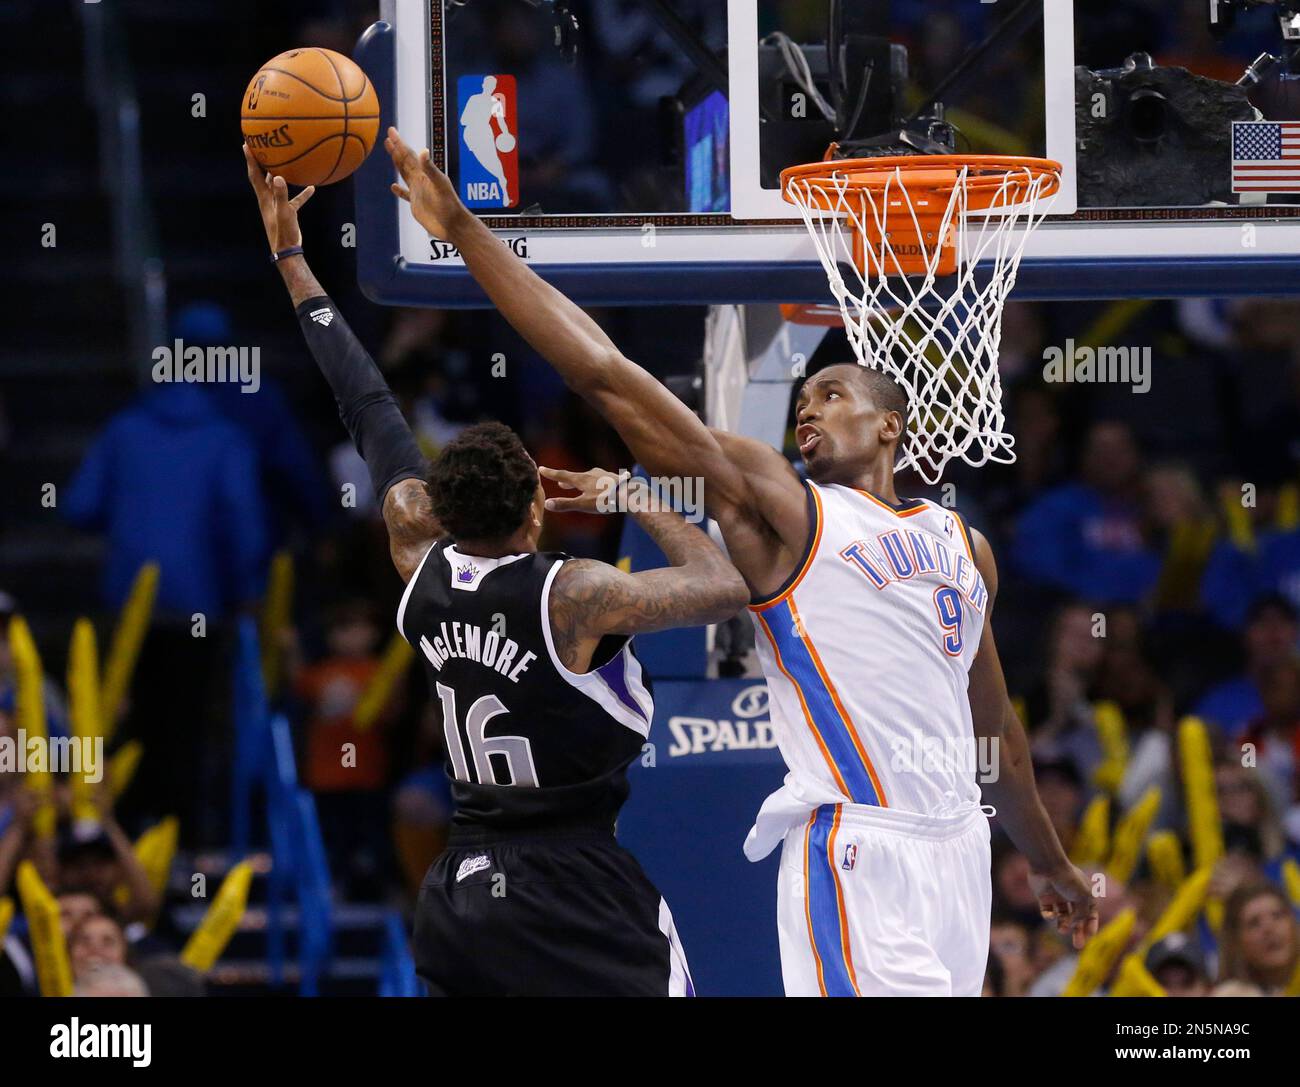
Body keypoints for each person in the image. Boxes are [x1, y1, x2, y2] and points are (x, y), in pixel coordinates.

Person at [384, 128, 1098, 996]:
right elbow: (604, 375)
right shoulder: (787, 514)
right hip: (856, 847)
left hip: (960, 854)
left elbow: (999, 737)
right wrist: (464, 232)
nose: (807, 412)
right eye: (800, 403)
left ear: (889, 425)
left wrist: (1051, 864)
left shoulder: (965, 547)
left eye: (830, 394)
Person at [245, 146, 747, 996]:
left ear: (442, 508)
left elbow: (366, 403)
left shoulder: (418, 562)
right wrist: (636, 489)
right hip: (575, 885)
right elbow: (725, 581)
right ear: (536, 511)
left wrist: (293, 259)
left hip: (464, 890)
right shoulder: (576, 596)